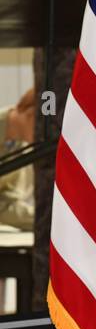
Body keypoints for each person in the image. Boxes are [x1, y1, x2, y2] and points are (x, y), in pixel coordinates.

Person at [0, 88, 35, 230]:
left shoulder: (24, 149)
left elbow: (7, 203)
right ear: (30, 113)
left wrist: (46, 220)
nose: (45, 134)